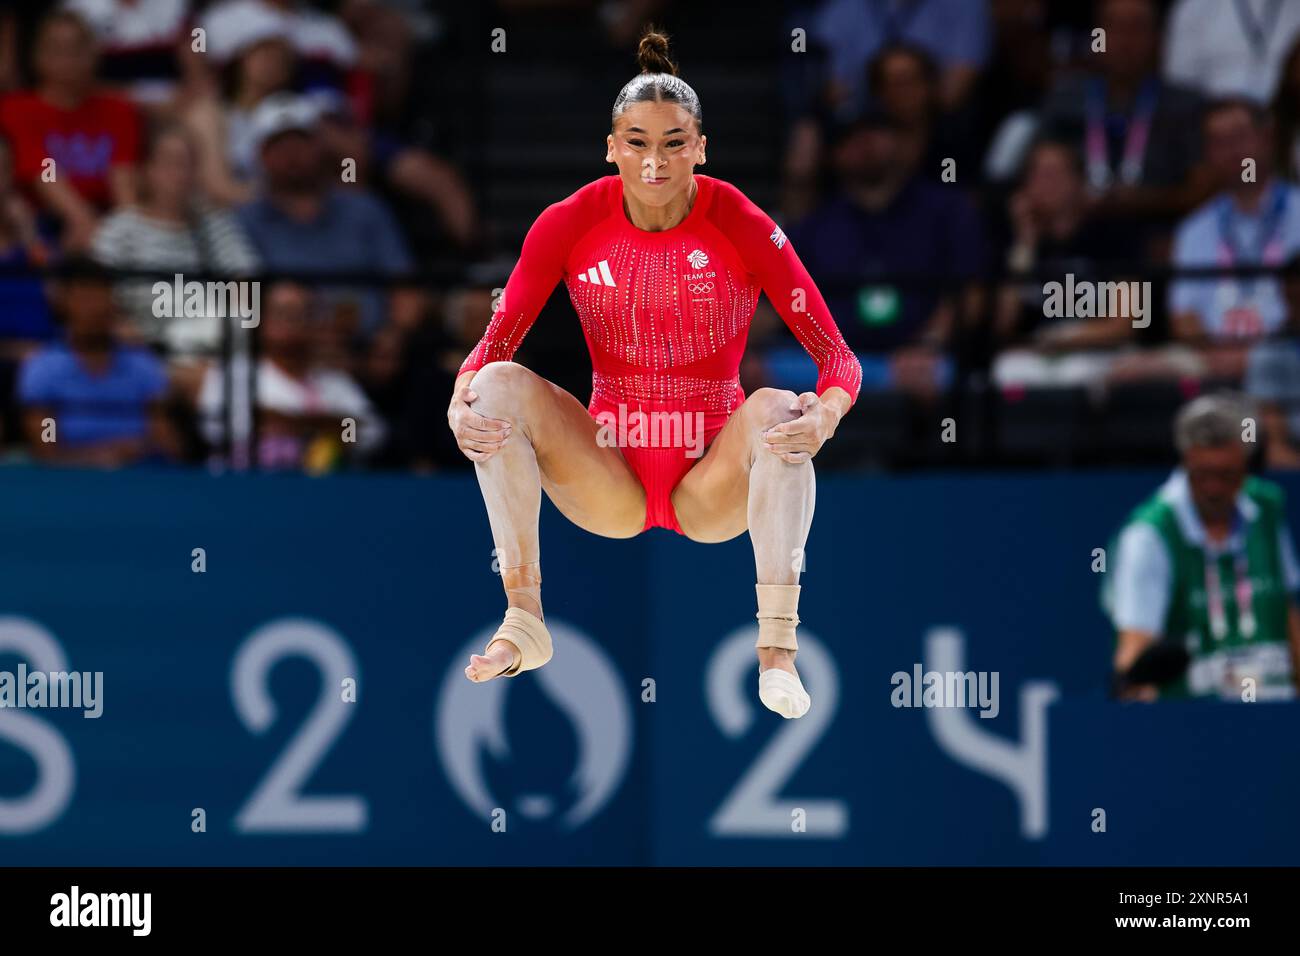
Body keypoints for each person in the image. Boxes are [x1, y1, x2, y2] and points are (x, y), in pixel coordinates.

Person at [447, 31, 862, 719]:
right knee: (494, 387)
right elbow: (493, 344)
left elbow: (836, 355)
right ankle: (524, 618)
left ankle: (778, 650)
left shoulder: (744, 224)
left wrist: (828, 412)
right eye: (636, 142)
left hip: (711, 479)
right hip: (609, 471)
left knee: (783, 407)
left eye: (674, 142)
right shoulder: (566, 224)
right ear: (611, 148)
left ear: (701, 146)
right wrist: (458, 405)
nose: (654, 161)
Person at [1103, 392, 1300, 700]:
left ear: (1245, 464)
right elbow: (1135, 644)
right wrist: (1131, 684)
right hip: (1198, 728)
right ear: (1186, 461)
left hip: (1276, 715)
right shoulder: (1149, 534)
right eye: (1202, 475)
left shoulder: (1268, 508)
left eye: (1226, 475)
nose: (1214, 488)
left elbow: (1288, 614)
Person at [0, 9, 141, 251]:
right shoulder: (17, 109)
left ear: (92, 54)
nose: (67, 59)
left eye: (76, 49)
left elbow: (124, 183)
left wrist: (131, 235)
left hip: (108, 218)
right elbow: (44, 175)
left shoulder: (118, 109)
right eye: (56, 49)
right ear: (38, 56)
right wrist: (84, 222)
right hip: (42, 220)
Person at [18, 258, 176, 467]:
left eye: (101, 296)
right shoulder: (43, 369)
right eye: (85, 298)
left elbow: (166, 443)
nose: (95, 308)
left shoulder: (143, 365)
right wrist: (97, 457)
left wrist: (140, 450)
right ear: (64, 302)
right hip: (69, 483)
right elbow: (47, 445)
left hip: (138, 479)